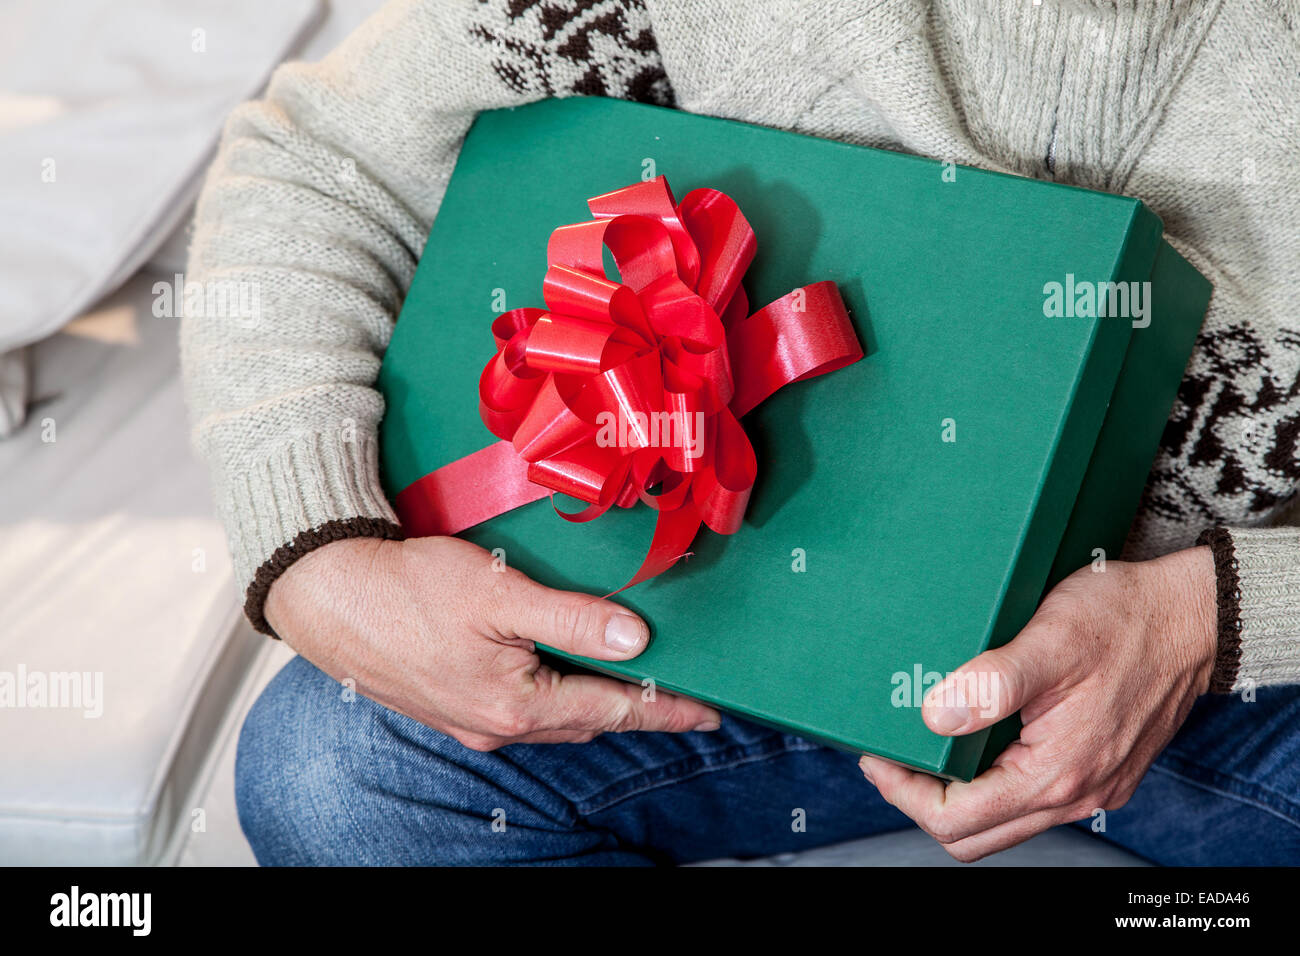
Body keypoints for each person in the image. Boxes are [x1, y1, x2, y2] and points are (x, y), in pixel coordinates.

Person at [181, 0, 1300, 865]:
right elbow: (319, 162)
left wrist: (1212, 615)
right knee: (330, 775)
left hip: (1213, 685)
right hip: (722, 639)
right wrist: (312, 546)